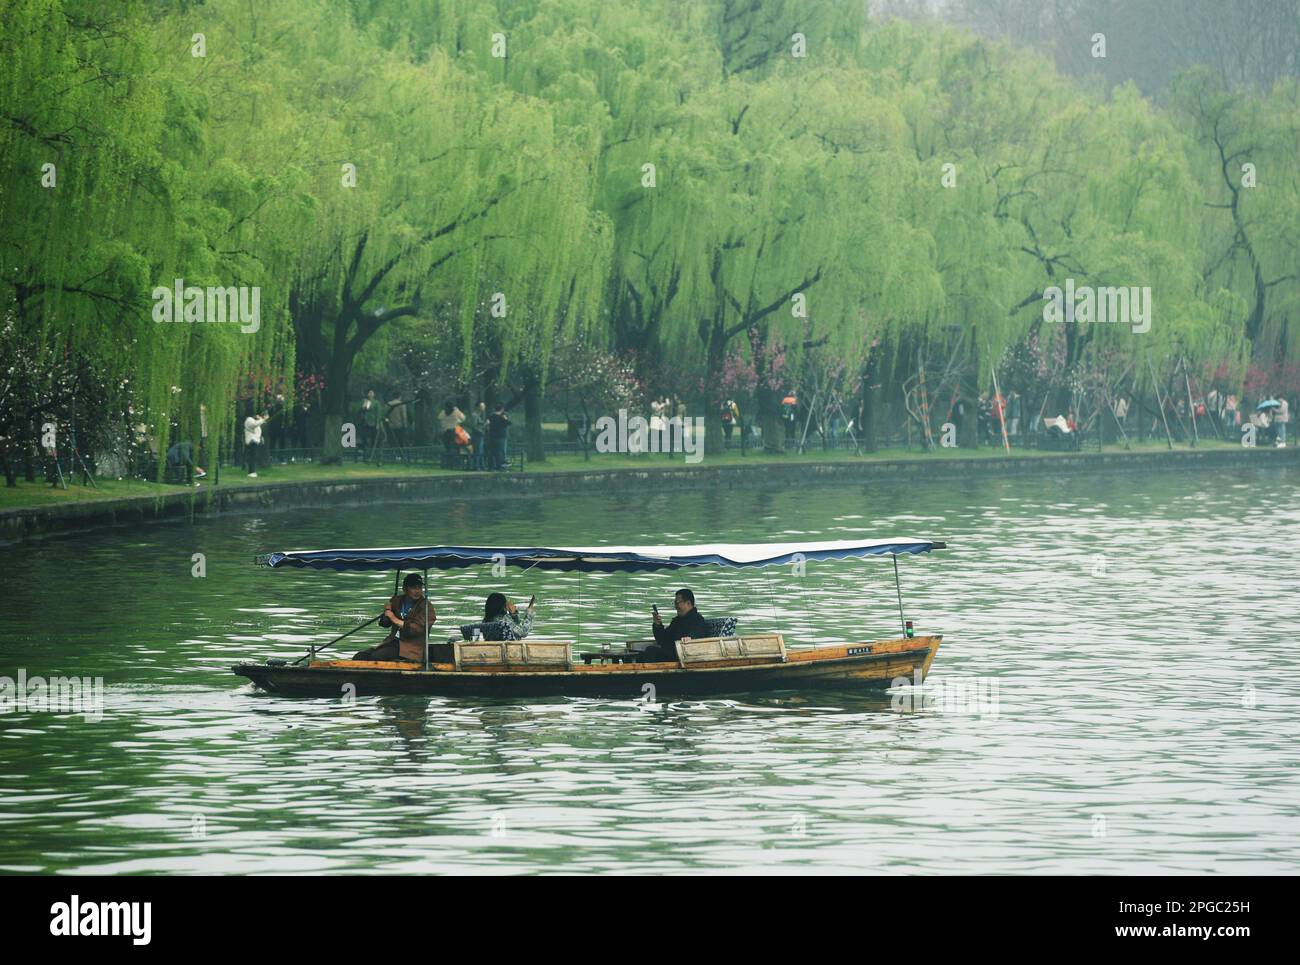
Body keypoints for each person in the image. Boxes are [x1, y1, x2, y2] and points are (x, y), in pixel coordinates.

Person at [352, 573, 436, 662]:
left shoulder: (427, 607)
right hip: (392, 642)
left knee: (376, 657)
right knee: (360, 656)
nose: (417, 591)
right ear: (405, 589)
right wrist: (387, 611)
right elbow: (385, 624)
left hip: (412, 648)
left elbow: (415, 628)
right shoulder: (397, 601)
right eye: (413, 588)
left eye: (419, 588)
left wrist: (393, 618)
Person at [642, 588, 708, 663]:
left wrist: (690, 638)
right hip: (672, 653)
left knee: (651, 651)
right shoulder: (677, 621)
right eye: (675, 603)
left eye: (677, 603)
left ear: (688, 603)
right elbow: (662, 640)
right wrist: (658, 625)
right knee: (642, 653)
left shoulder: (697, 619)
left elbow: (698, 633)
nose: (675, 606)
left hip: (684, 657)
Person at [243, 410, 269, 477]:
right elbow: (254, 425)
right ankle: (251, 472)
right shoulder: (249, 419)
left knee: (253, 457)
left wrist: (261, 419)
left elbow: (258, 428)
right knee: (252, 457)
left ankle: (252, 471)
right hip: (252, 441)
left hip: (255, 440)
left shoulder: (252, 419)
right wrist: (263, 419)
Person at [486, 402, 510, 470]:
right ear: (502, 409)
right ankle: (499, 466)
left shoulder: (490, 416)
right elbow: (508, 423)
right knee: (500, 452)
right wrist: (505, 418)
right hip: (501, 436)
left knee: (492, 451)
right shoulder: (501, 417)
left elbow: (487, 424)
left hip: (492, 436)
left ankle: (491, 467)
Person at [358, 389, 381, 458]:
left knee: (373, 438)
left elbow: (378, 413)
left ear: (374, 394)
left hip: (373, 422)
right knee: (364, 437)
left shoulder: (376, 402)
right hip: (365, 422)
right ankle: (365, 451)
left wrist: (377, 423)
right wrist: (365, 405)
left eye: (372, 393)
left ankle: (373, 452)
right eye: (369, 393)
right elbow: (362, 410)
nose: (370, 394)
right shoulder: (365, 401)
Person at [467, 401, 488, 470]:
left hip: (480, 436)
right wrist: (485, 425)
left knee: (481, 451)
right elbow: (474, 426)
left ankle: (481, 466)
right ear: (477, 407)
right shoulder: (474, 415)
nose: (484, 407)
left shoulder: (478, 415)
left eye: (484, 406)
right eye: (482, 406)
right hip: (477, 436)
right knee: (477, 451)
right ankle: (476, 466)